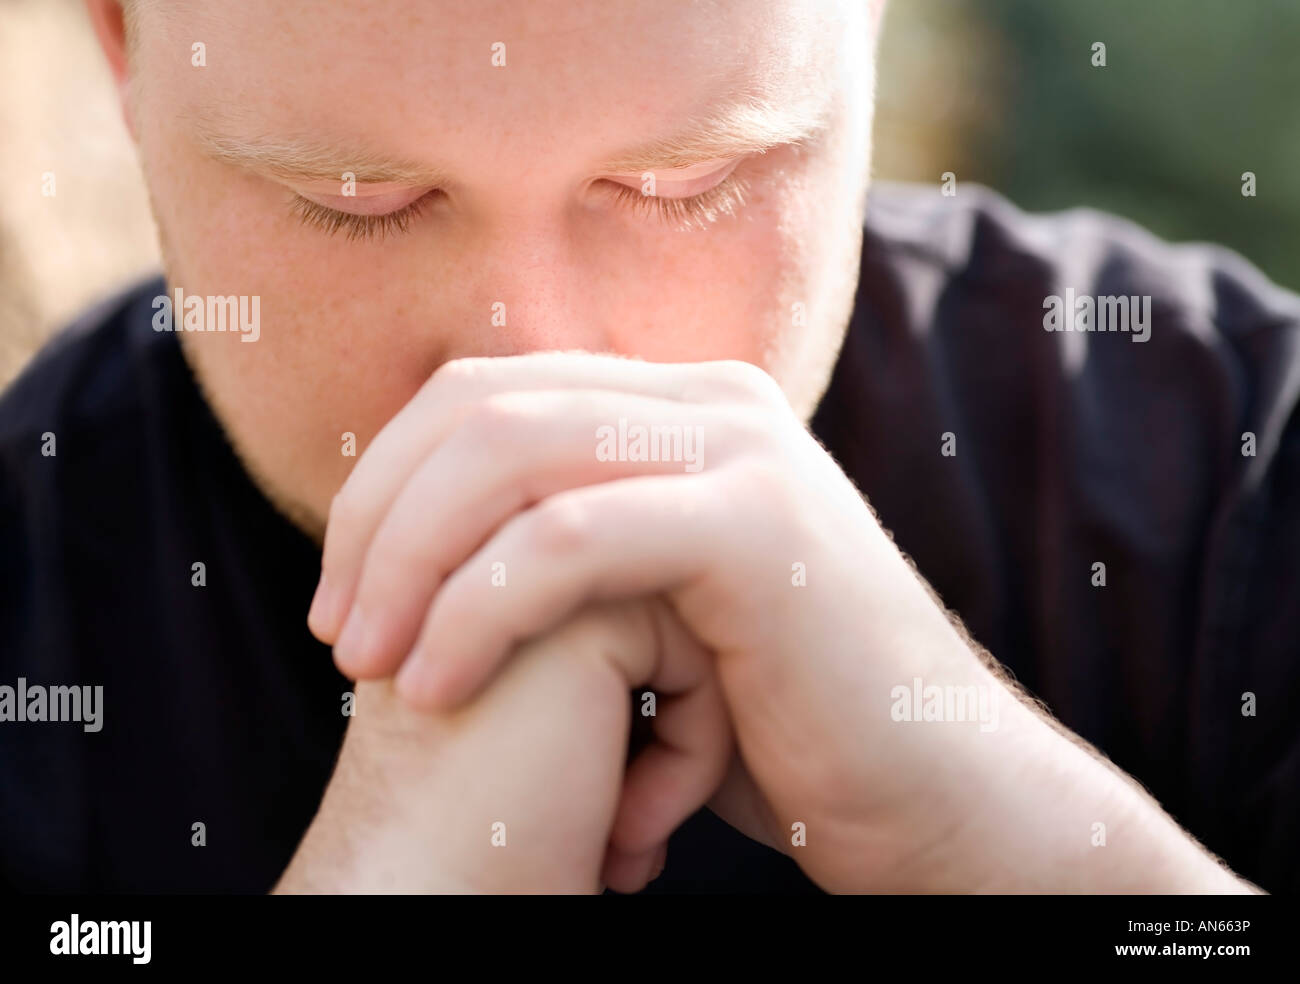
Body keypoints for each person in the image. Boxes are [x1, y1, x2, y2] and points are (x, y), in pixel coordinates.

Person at [1, 0, 1293, 894]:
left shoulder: (1236, 467)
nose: (529, 365)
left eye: (690, 182)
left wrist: (1008, 839)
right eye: (357, 203)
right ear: (124, 45)